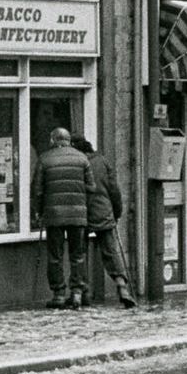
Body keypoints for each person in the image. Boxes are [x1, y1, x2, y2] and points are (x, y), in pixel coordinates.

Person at [30, 126, 91, 308]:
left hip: (54, 214)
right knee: (77, 255)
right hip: (78, 214)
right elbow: (92, 187)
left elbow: (38, 190)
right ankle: (77, 293)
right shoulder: (82, 159)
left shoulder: (45, 159)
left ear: (53, 140)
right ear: (68, 140)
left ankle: (58, 294)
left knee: (55, 255)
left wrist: (39, 211)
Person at [75, 136, 138, 308]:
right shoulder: (103, 162)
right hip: (104, 211)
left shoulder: (77, 163)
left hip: (82, 213)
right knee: (111, 251)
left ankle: (81, 292)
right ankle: (122, 286)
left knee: (80, 253)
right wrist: (116, 213)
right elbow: (114, 190)